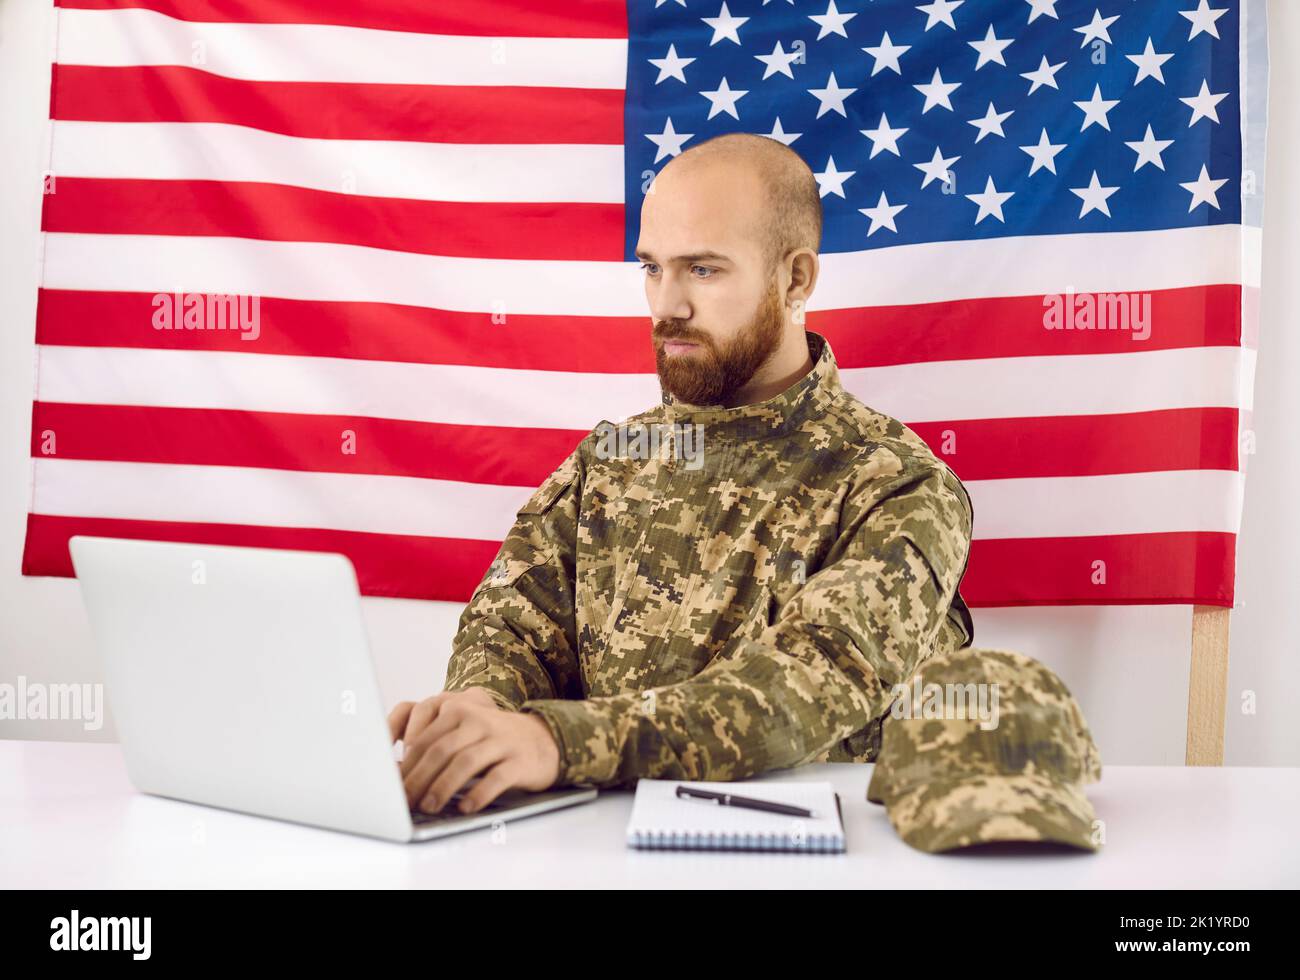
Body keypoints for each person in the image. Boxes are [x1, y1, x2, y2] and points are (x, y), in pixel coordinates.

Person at [388, 132, 975, 816]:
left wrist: (555, 742)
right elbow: (509, 627)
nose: (667, 304)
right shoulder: (610, 461)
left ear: (795, 279)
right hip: (595, 859)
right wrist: (478, 715)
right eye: (652, 268)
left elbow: (803, 690)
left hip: (812, 865)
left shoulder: (895, 484)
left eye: (703, 270)